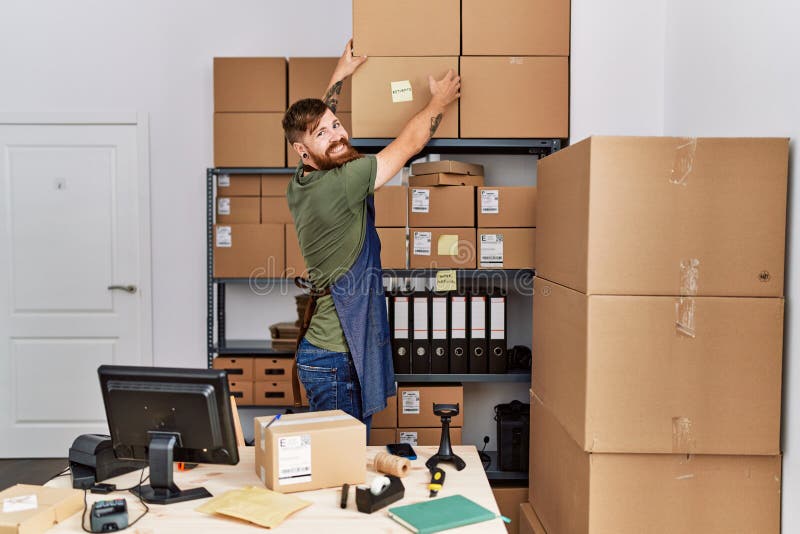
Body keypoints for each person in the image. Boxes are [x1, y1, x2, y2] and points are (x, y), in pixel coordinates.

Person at [283, 39, 460, 431]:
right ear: (301, 150)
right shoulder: (345, 182)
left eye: (336, 124)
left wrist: (339, 76)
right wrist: (439, 103)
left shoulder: (300, 183)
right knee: (343, 469)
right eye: (322, 134)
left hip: (321, 352)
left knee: (332, 461)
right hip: (336, 357)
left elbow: (323, 131)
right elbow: (411, 143)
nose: (336, 134)